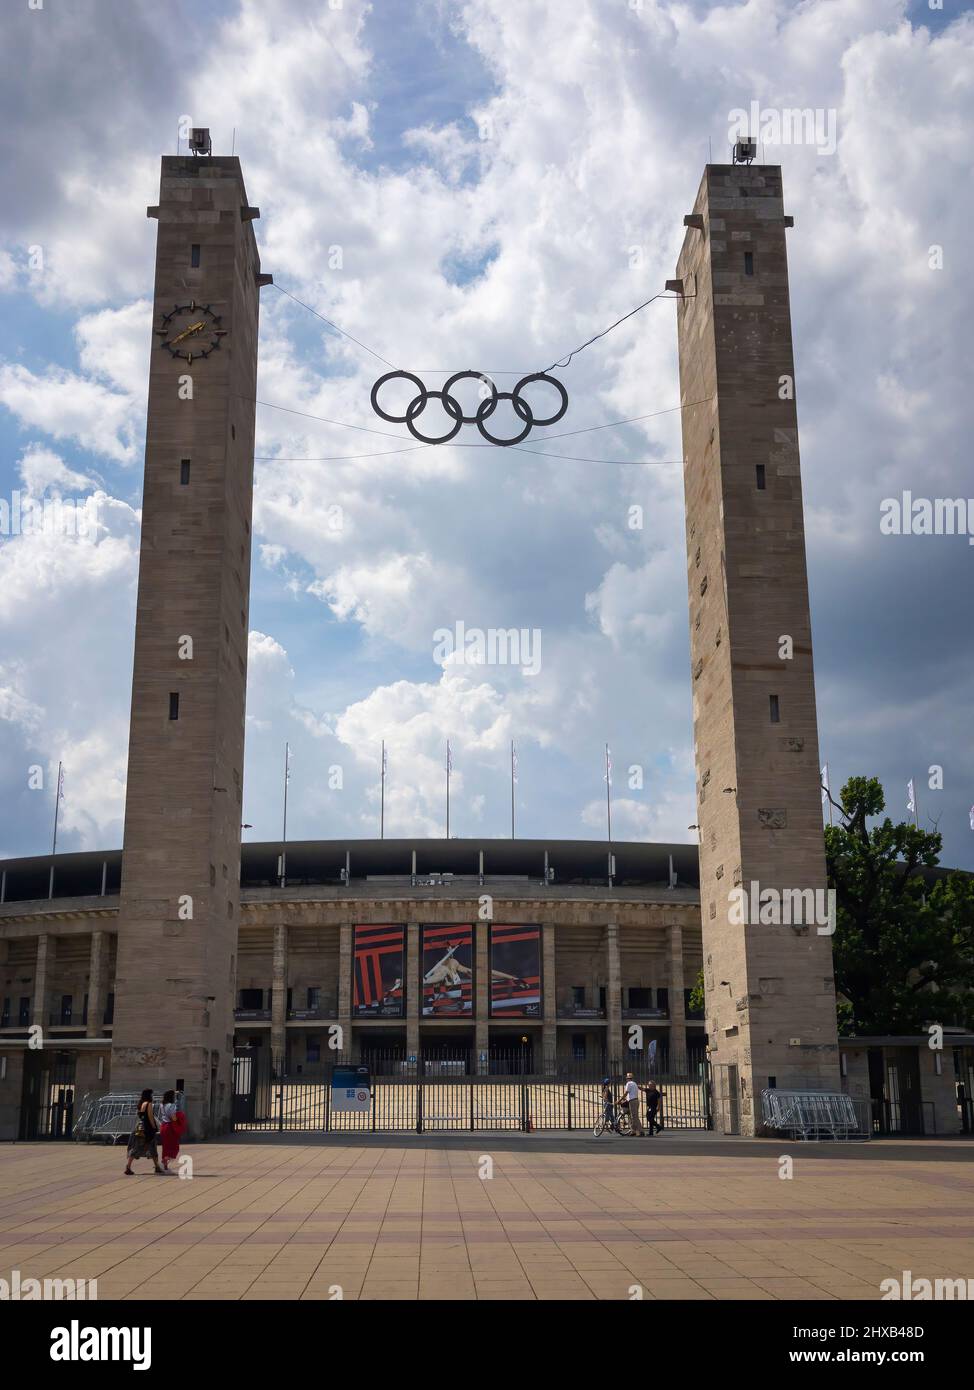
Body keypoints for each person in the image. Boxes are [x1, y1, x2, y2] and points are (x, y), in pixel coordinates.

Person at [124, 1089, 164, 1175]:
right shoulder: (148, 1104)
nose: (153, 1096)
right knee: (151, 1147)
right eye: (152, 1094)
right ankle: (128, 1167)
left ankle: (156, 1167)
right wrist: (154, 1127)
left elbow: (141, 1116)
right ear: (149, 1095)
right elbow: (150, 1116)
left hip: (140, 1128)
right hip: (148, 1130)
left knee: (140, 1148)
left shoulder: (142, 1104)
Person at [158, 1089, 186, 1171]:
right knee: (174, 1147)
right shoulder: (171, 1105)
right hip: (170, 1127)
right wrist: (179, 1119)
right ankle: (164, 1162)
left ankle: (165, 1165)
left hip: (163, 1126)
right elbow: (173, 1117)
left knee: (166, 1147)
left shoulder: (162, 1104)